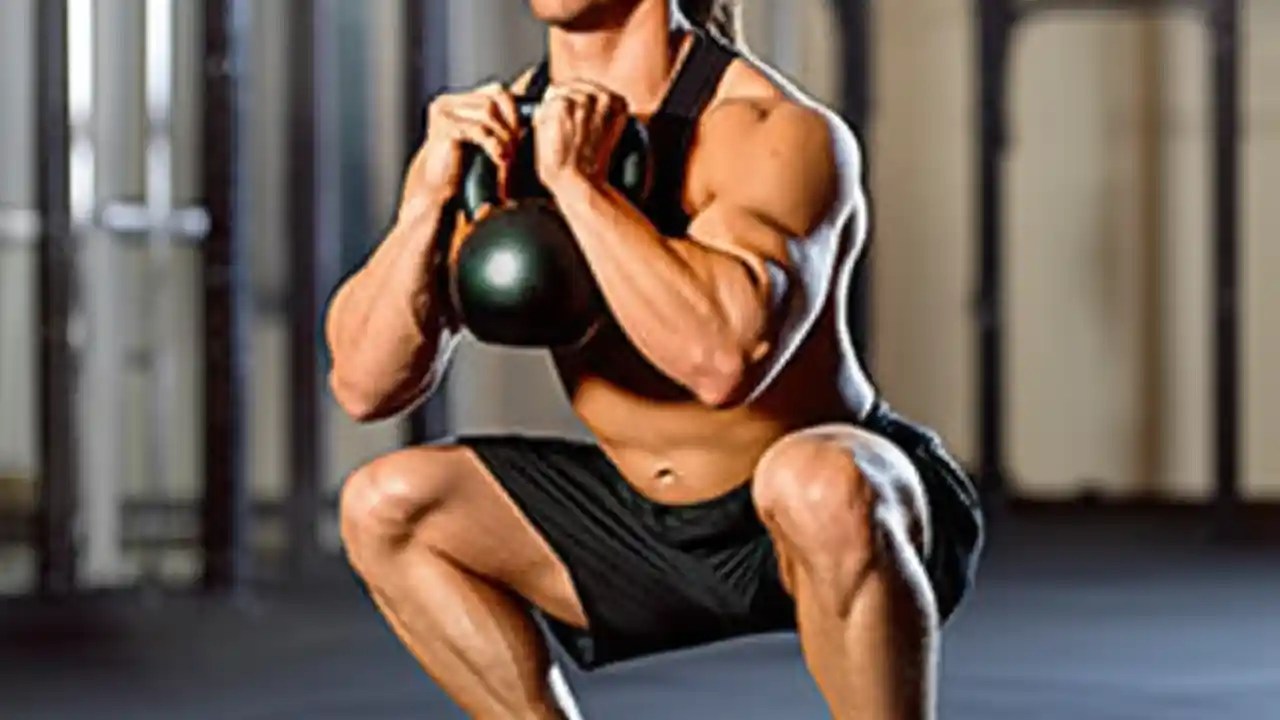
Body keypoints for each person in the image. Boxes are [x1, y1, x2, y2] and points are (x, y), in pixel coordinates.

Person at [324, 0, 983, 717]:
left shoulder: (768, 131)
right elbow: (364, 386)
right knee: (387, 506)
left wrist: (581, 188)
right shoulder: (503, 137)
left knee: (818, 481)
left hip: (834, 508)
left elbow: (724, 362)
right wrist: (425, 206)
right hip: (648, 522)